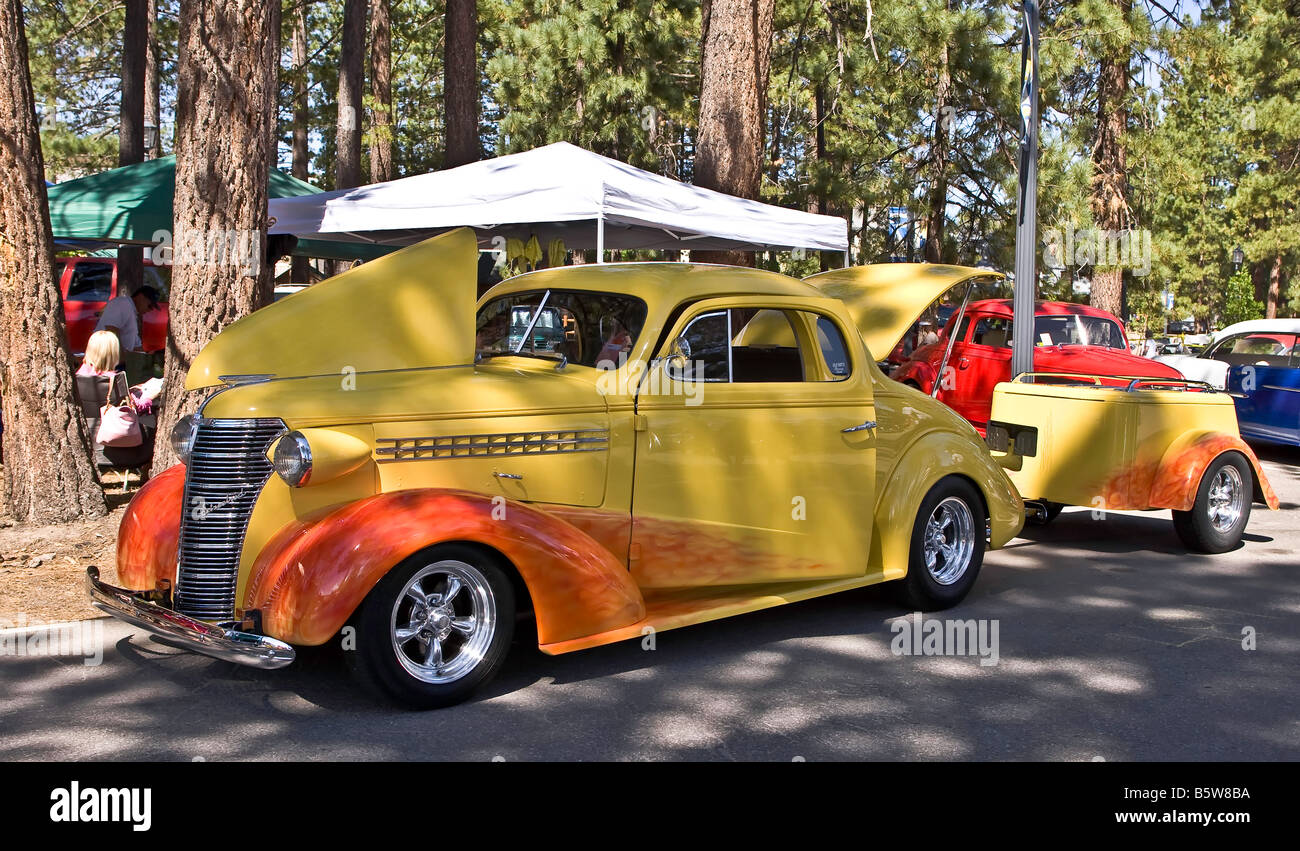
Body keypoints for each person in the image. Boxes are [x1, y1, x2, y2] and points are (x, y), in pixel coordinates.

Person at [94, 284, 160, 354]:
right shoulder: (123, 303)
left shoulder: (132, 311)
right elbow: (111, 330)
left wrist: (149, 354)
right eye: (150, 306)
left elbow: (133, 346)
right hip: (105, 356)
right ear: (140, 297)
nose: (150, 310)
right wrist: (122, 357)